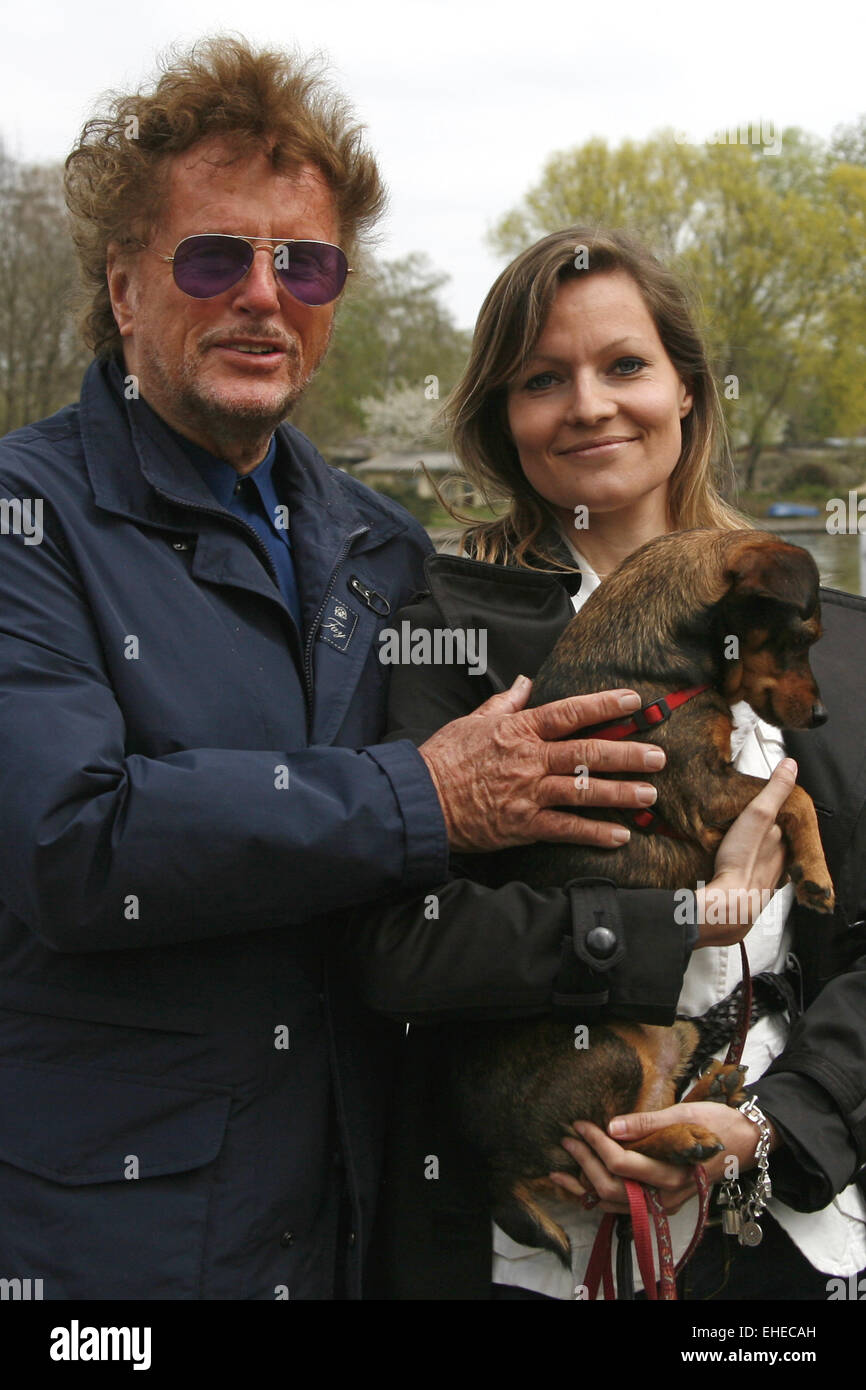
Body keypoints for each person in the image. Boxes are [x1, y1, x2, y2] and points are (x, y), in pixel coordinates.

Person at [0, 44, 676, 1302]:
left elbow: (457, 893)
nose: (263, 295)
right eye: (214, 258)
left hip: (371, 1216)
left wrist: (573, 1086)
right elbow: (68, 842)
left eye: (302, 264)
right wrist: (421, 797)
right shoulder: (24, 518)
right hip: (118, 1245)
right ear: (125, 287)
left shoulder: (379, 541)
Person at [352, 226, 866, 1300]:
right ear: (504, 415)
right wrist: (683, 918)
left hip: (793, 1226)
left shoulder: (843, 642)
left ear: (686, 388)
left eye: (623, 365)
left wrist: (775, 1124)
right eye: (542, 379)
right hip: (533, 1241)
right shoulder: (441, 638)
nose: (587, 404)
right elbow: (399, 949)